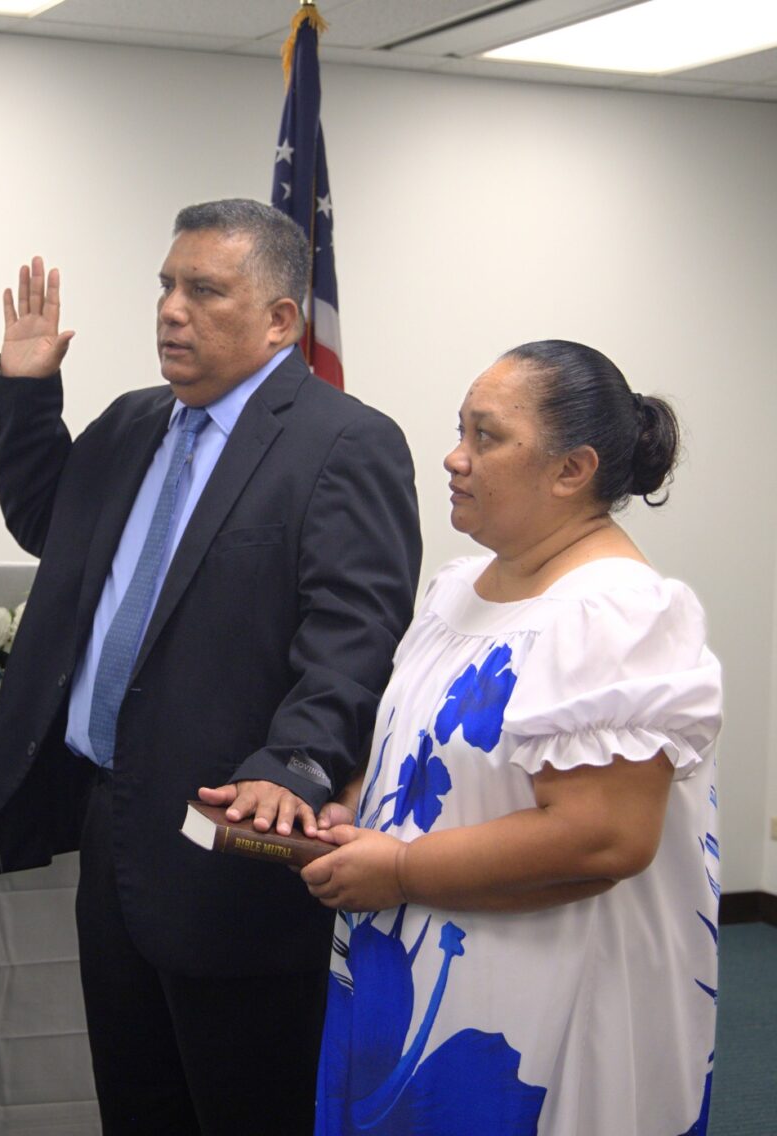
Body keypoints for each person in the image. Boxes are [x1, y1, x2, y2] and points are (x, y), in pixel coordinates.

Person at [0, 198, 422, 1134]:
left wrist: (295, 759)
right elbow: (56, 526)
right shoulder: (137, 422)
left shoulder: (343, 442)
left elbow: (355, 630)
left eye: (205, 291)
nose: (172, 309)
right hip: (114, 822)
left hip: (233, 839)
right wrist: (26, 391)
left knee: (245, 1105)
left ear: (281, 321)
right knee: (139, 1102)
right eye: (167, 286)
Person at [302, 340, 722, 1136]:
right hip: (418, 959)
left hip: (546, 1002)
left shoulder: (616, 611)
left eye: (486, 437)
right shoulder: (457, 590)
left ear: (573, 470)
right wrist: (358, 805)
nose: (455, 459)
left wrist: (398, 866)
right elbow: (425, 748)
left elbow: (602, 838)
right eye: (460, 430)